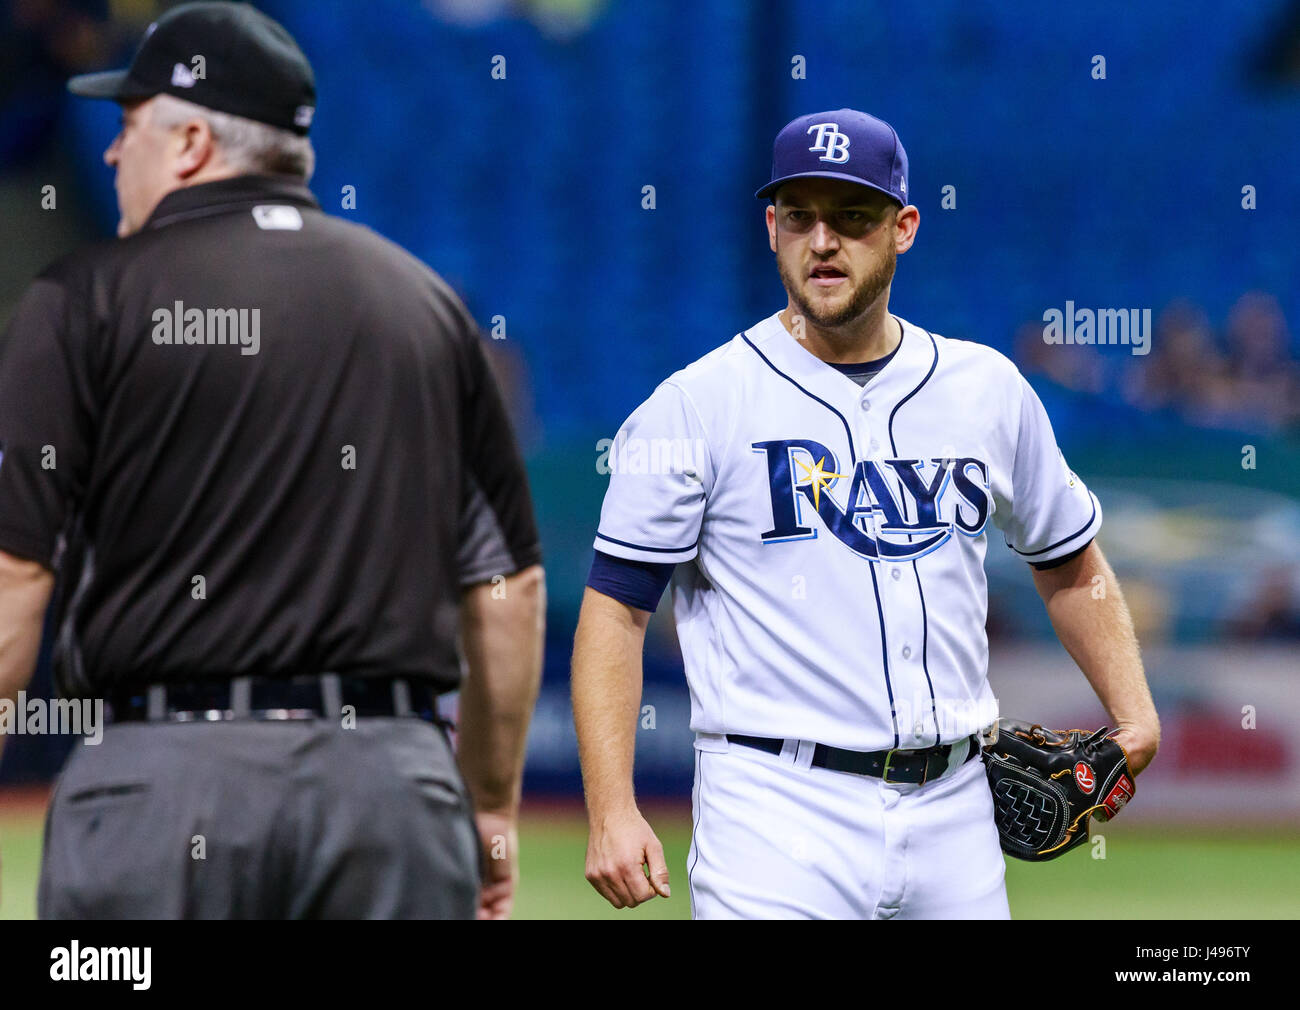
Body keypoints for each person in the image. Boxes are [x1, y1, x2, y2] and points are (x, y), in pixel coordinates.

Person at [0, 1, 544, 920]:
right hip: (390, 799)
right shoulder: (428, 308)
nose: (108, 152)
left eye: (129, 126)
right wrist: (487, 805)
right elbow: (509, 591)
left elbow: (15, 575)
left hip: (160, 793)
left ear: (191, 143)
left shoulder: (81, 301)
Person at [571, 109, 1160, 919]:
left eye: (852, 217)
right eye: (802, 216)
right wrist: (611, 808)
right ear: (771, 228)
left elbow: (1069, 560)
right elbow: (616, 611)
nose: (823, 240)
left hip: (957, 804)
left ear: (903, 227)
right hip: (774, 806)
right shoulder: (695, 407)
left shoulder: (984, 389)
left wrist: (1134, 712)